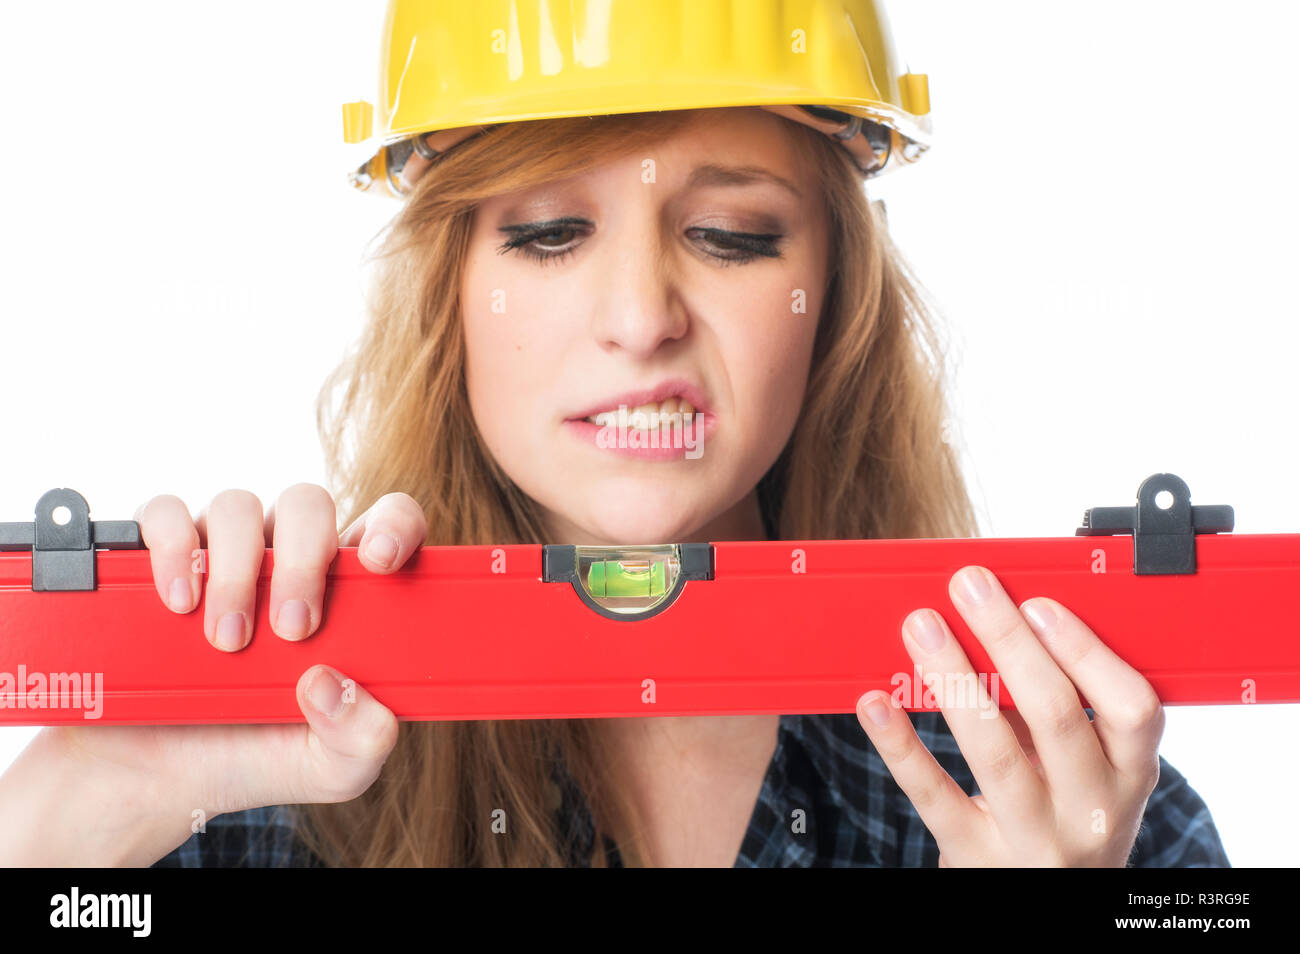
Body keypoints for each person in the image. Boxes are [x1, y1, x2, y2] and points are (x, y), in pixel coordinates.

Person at [0, 0, 1229, 868]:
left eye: (733, 237)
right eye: (545, 235)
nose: (641, 320)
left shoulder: (1083, 803)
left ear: (834, 301)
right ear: (449, 302)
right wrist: (72, 817)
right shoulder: (255, 798)